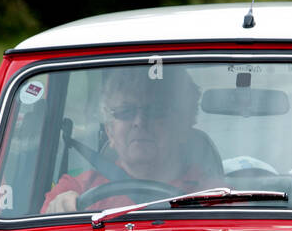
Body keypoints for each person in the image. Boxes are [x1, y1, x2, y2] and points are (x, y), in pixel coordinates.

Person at [42, 66, 215, 213]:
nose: (139, 122)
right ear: (110, 131)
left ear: (182, 128)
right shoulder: (77, 189)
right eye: (125, 112)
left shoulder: (212, 195)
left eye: (155, 111)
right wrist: (60, 207)